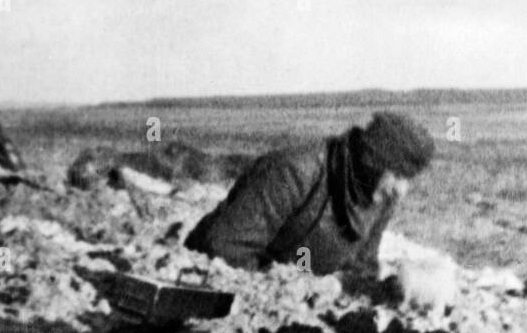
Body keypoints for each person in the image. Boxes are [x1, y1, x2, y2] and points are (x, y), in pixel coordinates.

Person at [183, 111, 435, 279]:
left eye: (408, 179)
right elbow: (223, 247)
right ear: (372, 162)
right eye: (398, 175)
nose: (401, 191)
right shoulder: (293, 171)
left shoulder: (378, 194)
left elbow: (361, 267)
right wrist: (288, 286)